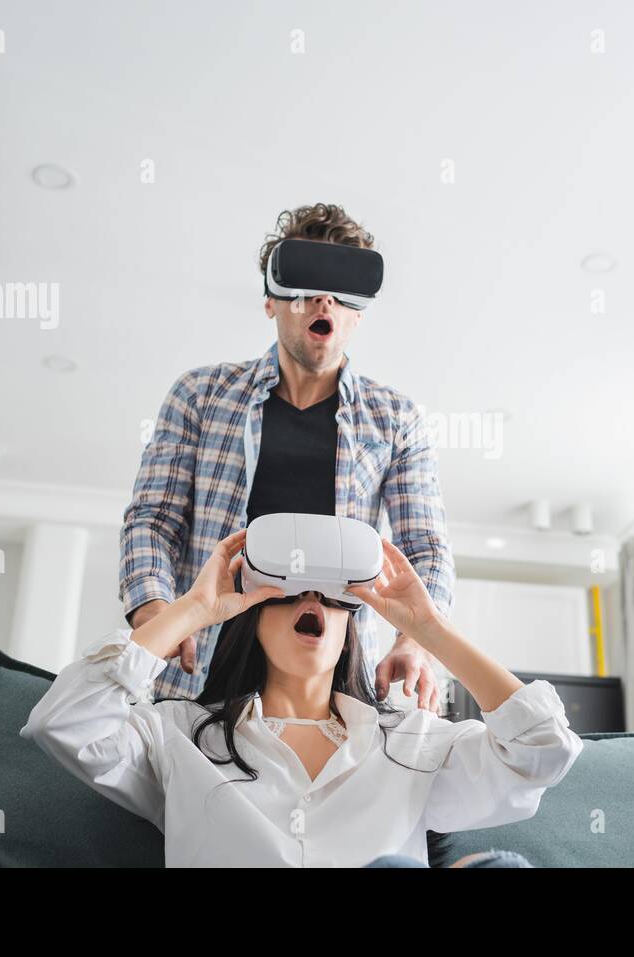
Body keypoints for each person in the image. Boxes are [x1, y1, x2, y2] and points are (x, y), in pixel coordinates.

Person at [22, 530, 582, 867]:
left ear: (350, 627)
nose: (311, 597)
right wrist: (190, 610)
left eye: (335, 593)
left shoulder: (410, 741)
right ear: (250, 616)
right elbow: (65, 723)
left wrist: (430, 630)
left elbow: (542, 750)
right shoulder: (176, 734)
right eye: (287, 588)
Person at [120, 203, 454, 712]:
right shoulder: (201, 395)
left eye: (342, 290)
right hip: (198, 676)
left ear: (357, 312)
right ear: (271, 302)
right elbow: (153, 519)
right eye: (303, 285)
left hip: (328, 686)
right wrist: (156, 611)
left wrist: (416, 640)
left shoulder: (395, 419)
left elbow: (424, 546)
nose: (323, 299)